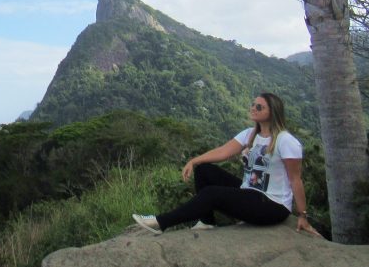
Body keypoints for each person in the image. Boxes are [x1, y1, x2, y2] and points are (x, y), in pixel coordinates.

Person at [133, 92, 320, 236]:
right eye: (253, 105)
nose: (253, 108)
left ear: (273, 112)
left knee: (211, 194)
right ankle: (207, 222)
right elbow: (223, 152)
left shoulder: (286, 141)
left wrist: (303, 216)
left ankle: (160, 223)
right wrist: (194, 160)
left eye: (259, 107)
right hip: (250, 193)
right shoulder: (250, 134)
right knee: (204, 170)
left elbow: (295, 180)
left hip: (272, 205)